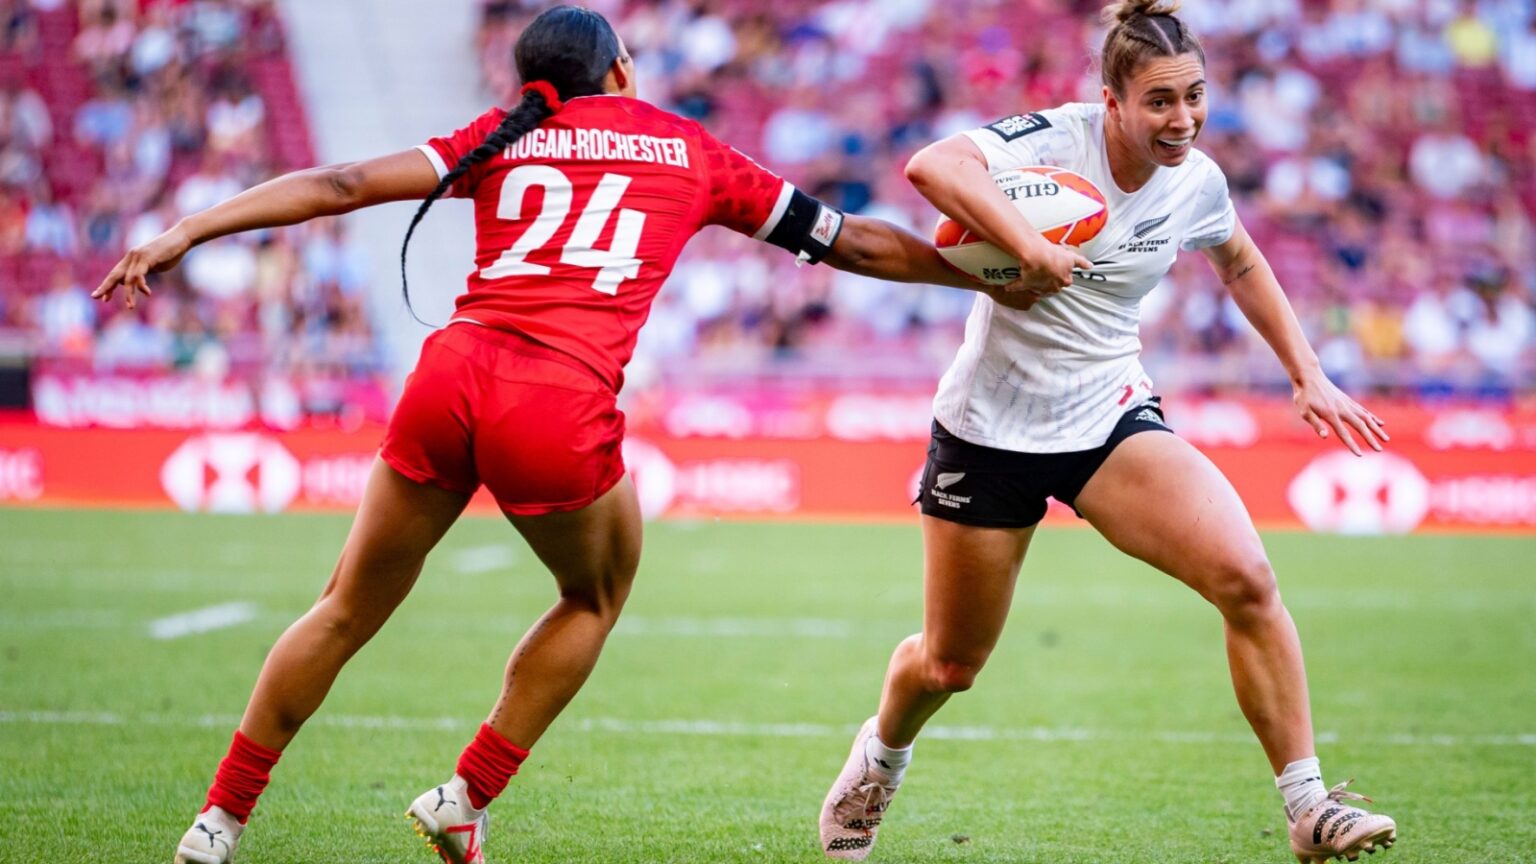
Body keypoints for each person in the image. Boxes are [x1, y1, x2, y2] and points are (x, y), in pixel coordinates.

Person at [94, 8, 1027, 864]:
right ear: (621, 68)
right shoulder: (683, 145)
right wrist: (990, 272)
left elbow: (341, 182)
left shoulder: (503, 135)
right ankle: (466, 796)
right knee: (593, 594)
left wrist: (189, 227)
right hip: (555, 403)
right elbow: (855, 243)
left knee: (341, 609)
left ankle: (217, 823)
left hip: (449, 377)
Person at [816, 3, 1399, 864]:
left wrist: (1306, 370)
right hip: (988, 432)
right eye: (1160, 101)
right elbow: (930, 166)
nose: (1183, 119)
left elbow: (1238, 259)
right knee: (949, 664)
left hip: (1108, 416)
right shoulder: (1055, 140)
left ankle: (1309, 808)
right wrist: (1029, 247)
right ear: (1111, 102)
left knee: (1246, 578)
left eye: (1195, 97)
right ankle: (879, 759)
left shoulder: (1198, 179)